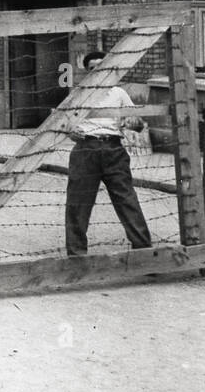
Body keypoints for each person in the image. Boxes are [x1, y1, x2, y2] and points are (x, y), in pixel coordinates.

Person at [65, 51, 152, 257]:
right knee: (78, 204)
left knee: (127, 200)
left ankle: (145, 253)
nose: (99, 71)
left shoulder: (119, 93)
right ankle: (76, 257)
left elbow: (138, 123)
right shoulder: (78, 94)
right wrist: (70, 131)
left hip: (114, 150)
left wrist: (132, 122)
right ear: (87, 72)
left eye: (102, 66)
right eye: (93, 68)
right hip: (86, 150)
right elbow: (64, 124)